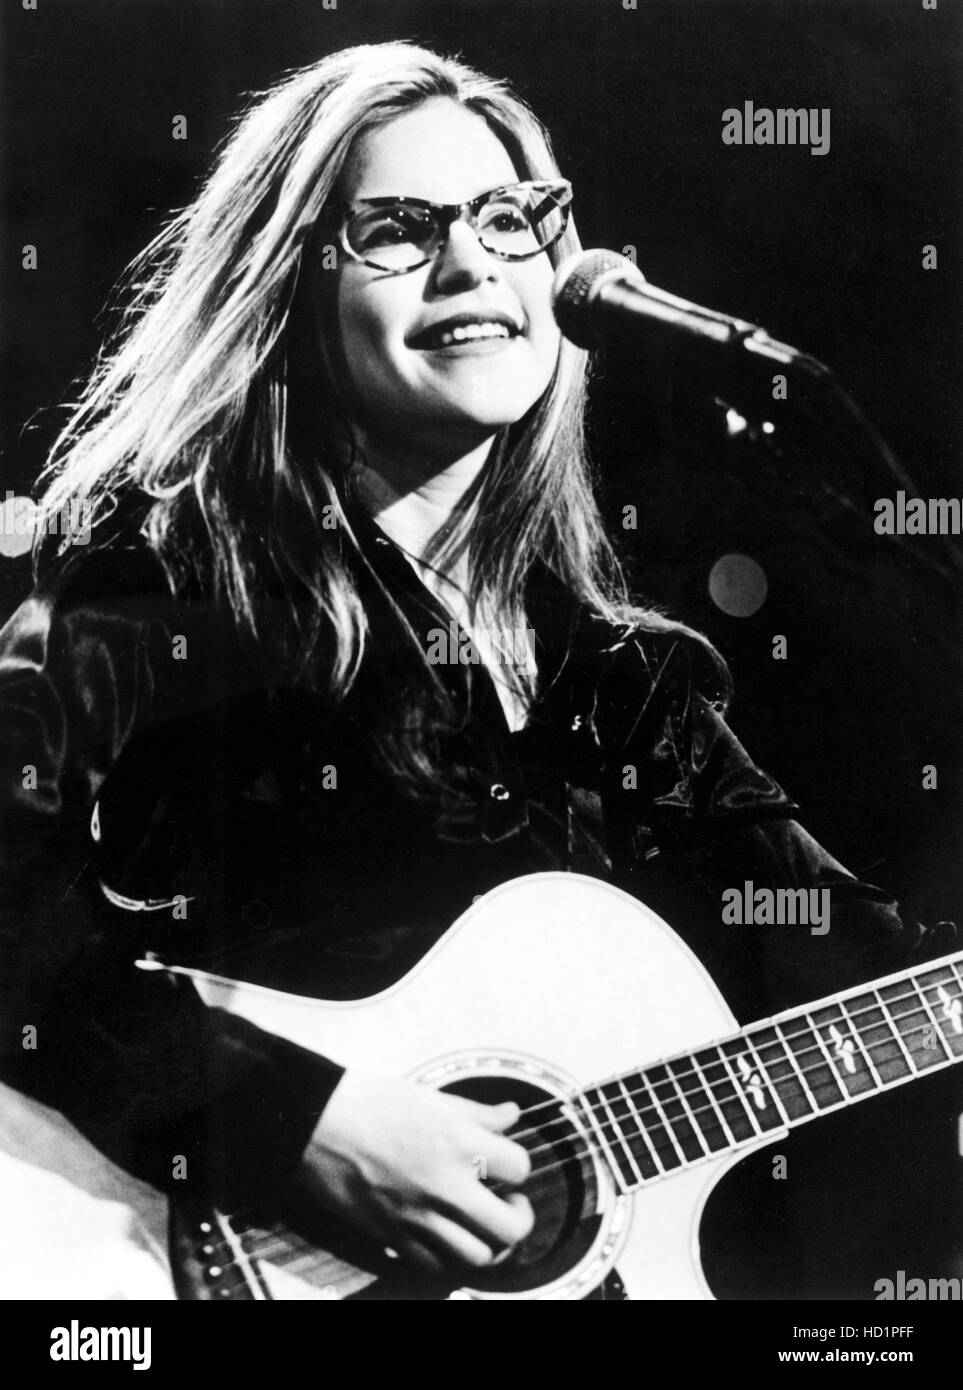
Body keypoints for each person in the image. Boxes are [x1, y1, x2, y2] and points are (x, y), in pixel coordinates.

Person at [0, 41, 948, 1286]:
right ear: (288, 281)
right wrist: (294, 1126)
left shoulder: (628, 680)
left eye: (510, 219)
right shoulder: (164, 579)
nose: (473, 262)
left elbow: (868, 968)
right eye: (399, 227)